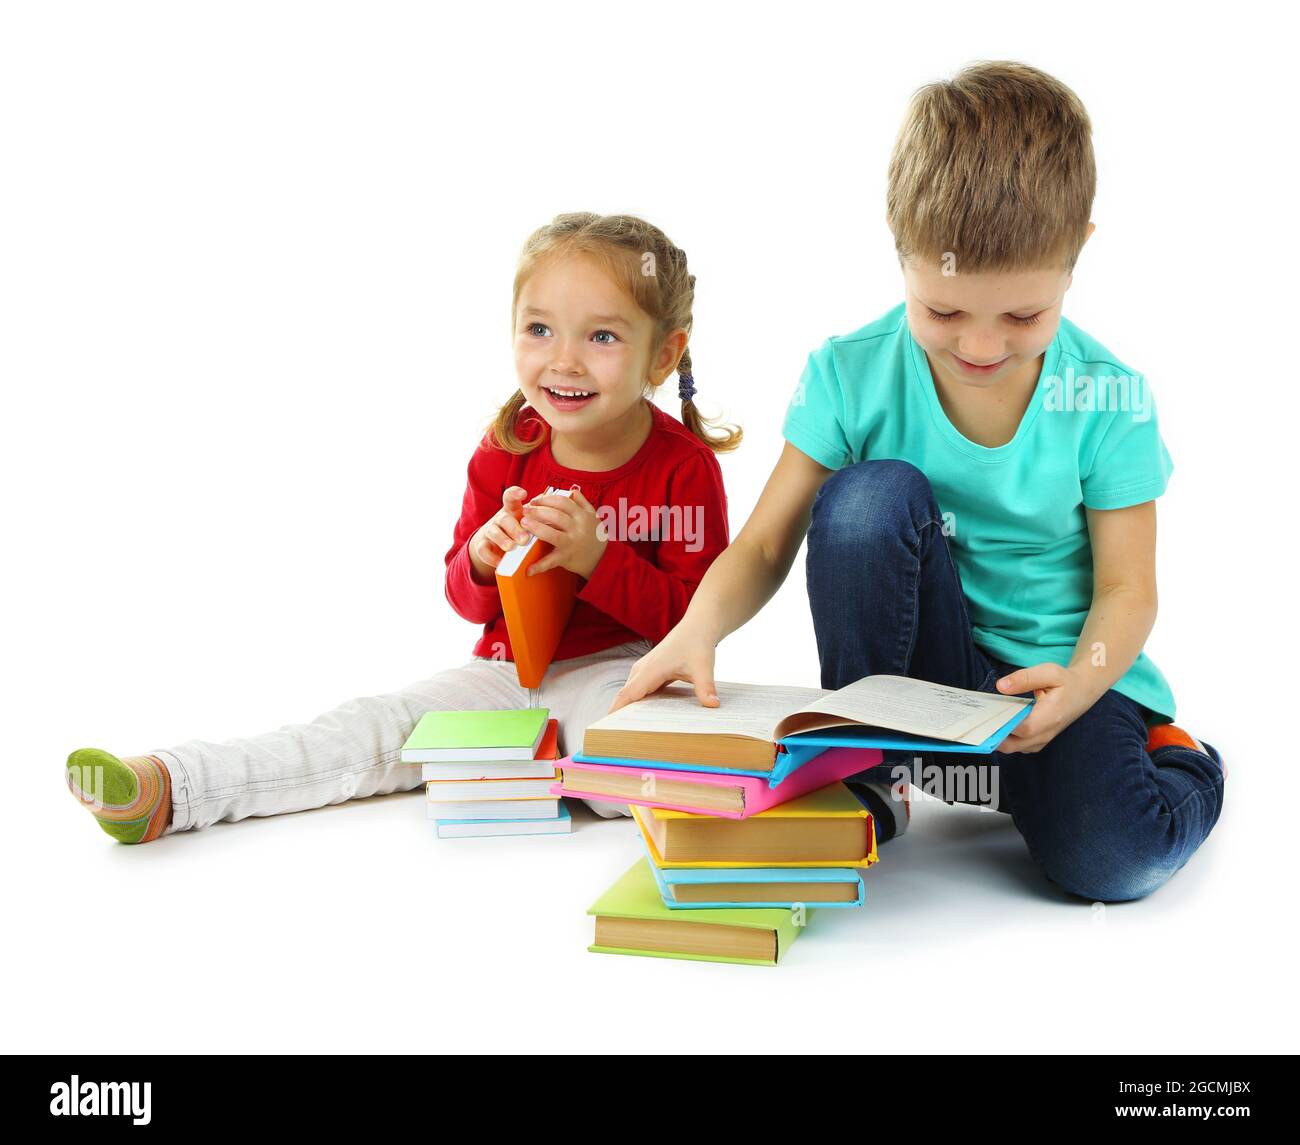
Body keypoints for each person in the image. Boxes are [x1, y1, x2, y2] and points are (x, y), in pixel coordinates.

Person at [608, 63, 1225, 903]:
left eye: (1021, 317)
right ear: (901, 246)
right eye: (943, 312)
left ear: (1079, 248)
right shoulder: (848, 373)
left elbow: (1129, 587)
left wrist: (1082, 682)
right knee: (866, 499)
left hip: (1059, 683)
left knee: (1111, 862)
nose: (978, 346)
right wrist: (697, 626)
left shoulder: (1107, 395)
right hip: (920, 696)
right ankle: (873, 768)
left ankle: (1177, 760)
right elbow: (762, 540)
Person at [66, 211, 741, 840]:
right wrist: (481, 557)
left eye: (601, 336)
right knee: (372, 728)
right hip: (504, 672)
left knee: (637, 765)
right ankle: (172, 786)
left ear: (661, 355)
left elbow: (690, 620)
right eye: (539, 329)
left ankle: (540, 767)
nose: (562, 360)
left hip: (619, 672)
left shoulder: (683, 468)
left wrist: (599, 558)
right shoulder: (509, 445)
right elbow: (464, 598)